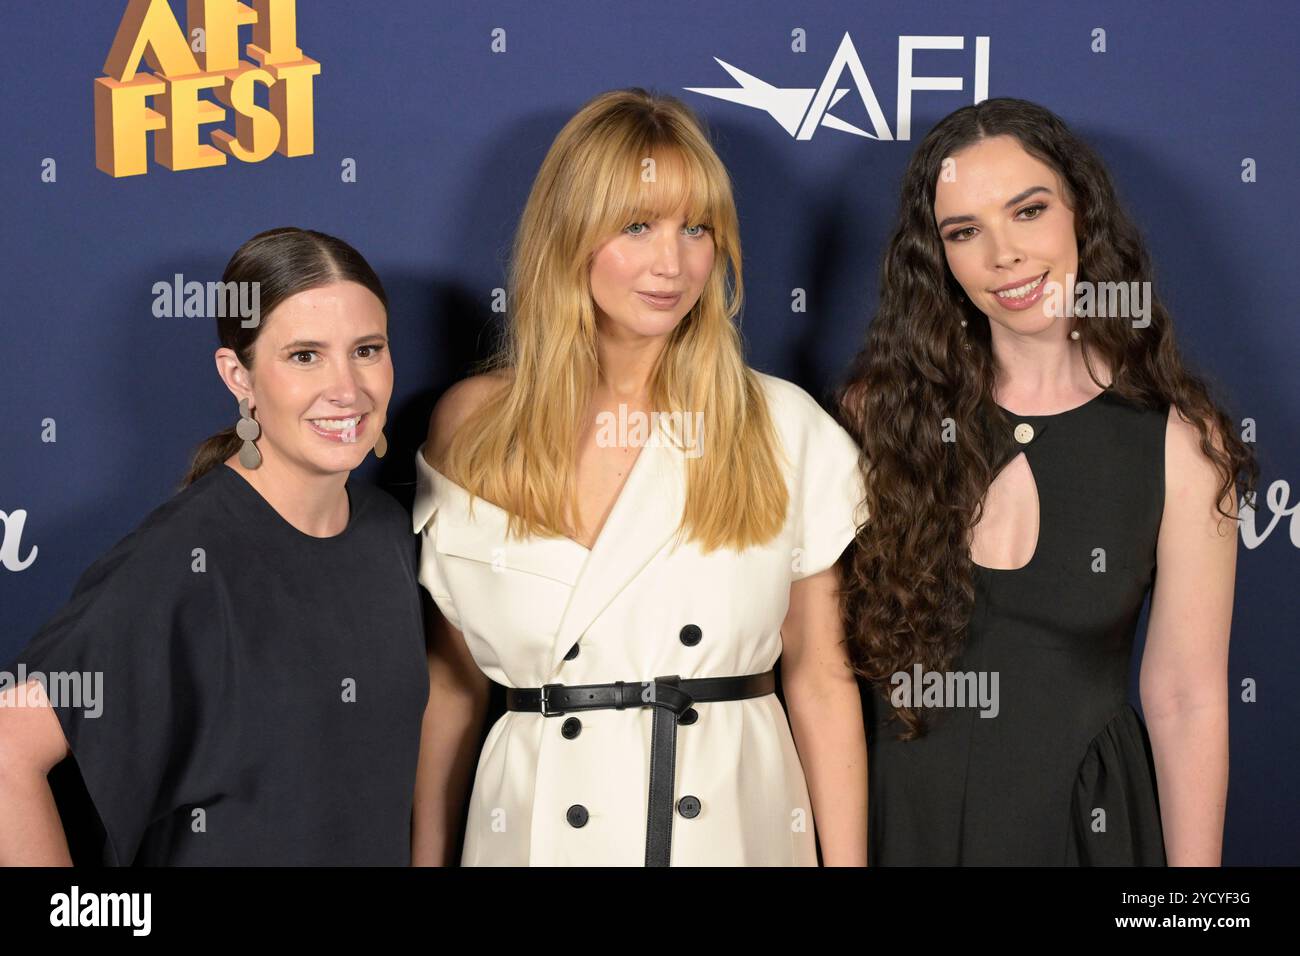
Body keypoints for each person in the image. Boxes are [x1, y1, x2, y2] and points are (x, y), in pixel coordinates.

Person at [410, 89, 868, 866]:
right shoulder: (473, 426)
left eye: (697, 230)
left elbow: (821, 679)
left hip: (732, 830)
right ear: (568, 237)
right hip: (531, 834)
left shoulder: (781, 425)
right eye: (637, 227)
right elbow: (453, 688)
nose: (673, 263)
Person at [838, 98, 1257, 866]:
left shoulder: (1181, 447)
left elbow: (1187, 700)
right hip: (897, 819)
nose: (1004, 255)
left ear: (1081, 214)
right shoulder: (876, 420)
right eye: (965, 231)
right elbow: (816, 669)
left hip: (1081, 830)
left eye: (1027, 211)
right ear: (940, 259)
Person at [0, 227, 428, 866]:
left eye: (366, 350)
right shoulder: (181, 558)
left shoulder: (388, 529)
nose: (347, 388)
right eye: (305, 356)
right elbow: (9, 746)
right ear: (239, 376)